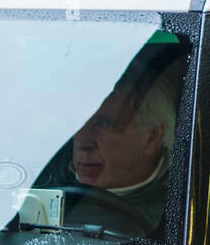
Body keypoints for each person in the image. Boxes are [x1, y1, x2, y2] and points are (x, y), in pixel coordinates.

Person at [65, 55, 184, 235]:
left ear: (152, 137)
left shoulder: (178, 218)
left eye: (103, 123)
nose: (82, 141)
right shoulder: (38, 186)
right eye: (79, 122)